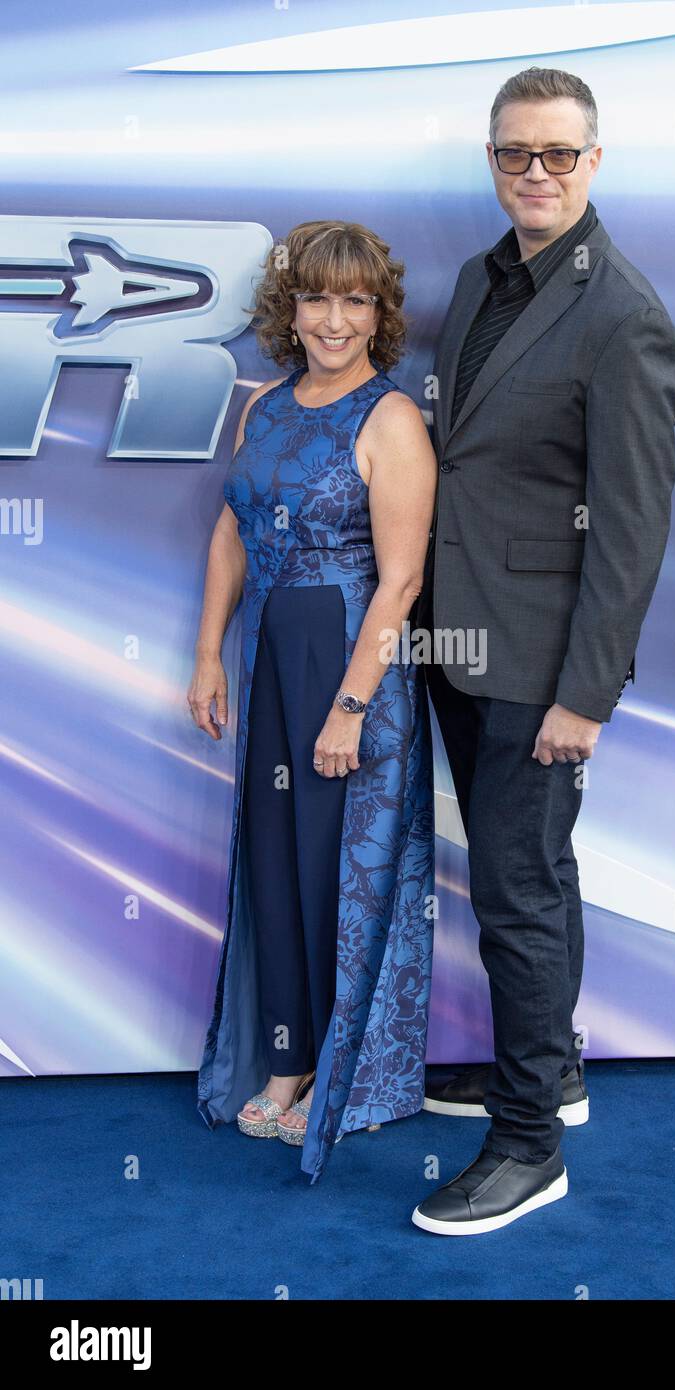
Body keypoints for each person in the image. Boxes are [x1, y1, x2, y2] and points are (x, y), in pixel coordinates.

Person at [412, 67, 675, 1234]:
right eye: (512, 153)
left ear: (593, 162)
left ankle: (529, 1144)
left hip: (541, 671)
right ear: (491, 160)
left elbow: (629, 531)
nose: (533, 171)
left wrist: (584, 696)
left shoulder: (625, 315)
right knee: (536, 877)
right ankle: (552, 1073)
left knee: (516, 893)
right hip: (457, 641)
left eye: (556, 155)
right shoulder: (483, 278)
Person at [191, 220, 437, 1184]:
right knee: (279, 865)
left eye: (355, 300)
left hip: (346, 664)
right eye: (316, 299)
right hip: (267, 660)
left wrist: (349, 707)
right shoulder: (265, 404)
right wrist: (209, 654)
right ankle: (289, 1059)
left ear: (380, 311)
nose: (334, 320)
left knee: (342, 875)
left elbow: (404, 581)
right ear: (288, 309)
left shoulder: (393, 420)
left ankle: (349, 1071)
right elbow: (230, 531)